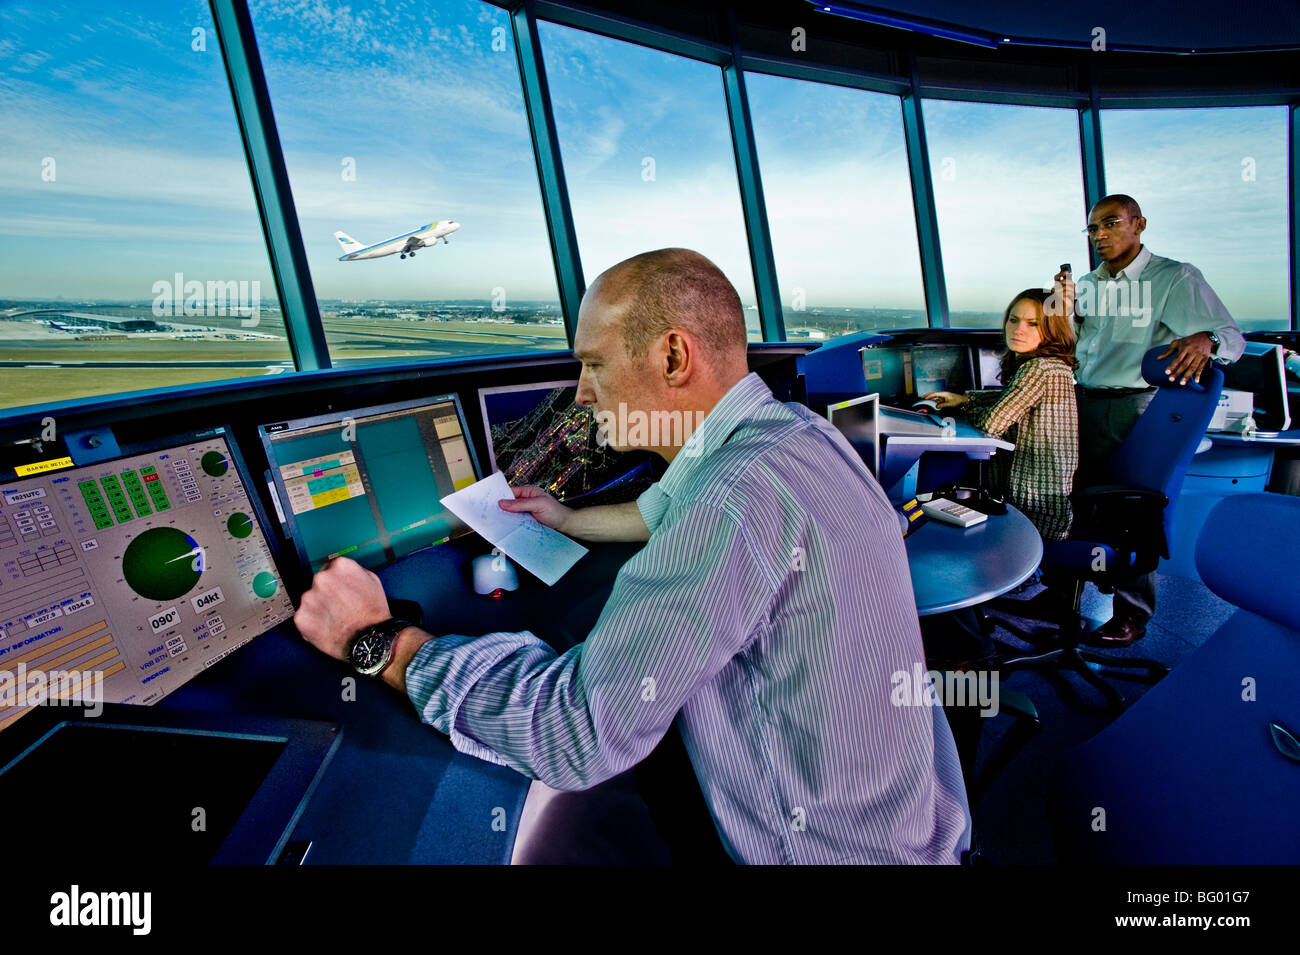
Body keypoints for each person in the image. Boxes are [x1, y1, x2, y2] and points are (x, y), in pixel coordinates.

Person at [292, 248, 971, 865]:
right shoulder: (800, 437)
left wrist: (376, 639)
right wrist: (568, 519)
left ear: (673, 357)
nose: (582, 392)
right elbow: (670, 505)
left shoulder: (730, 501)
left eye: (594, 363)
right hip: (919, 831)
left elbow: (574, 732)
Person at [1061, 193, 1244, 647]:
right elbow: (1079, 344)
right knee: (1071, 501)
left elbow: (1232, 338)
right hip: (1080, 400)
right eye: (1093, 228)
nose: (1099, 235)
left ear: (1139, 224)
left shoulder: (1173, 277)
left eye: (1110, 223)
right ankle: (1062, 599)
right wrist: (1063, 312)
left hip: (1133, 405)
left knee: (1130, 509)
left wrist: (1206, 338)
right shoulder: (1087, 284)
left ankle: (1131, 613)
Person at [923, 288, 1079, 543]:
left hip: (1031, 514)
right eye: (1013, 320)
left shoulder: (1037, 369)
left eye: (1032, 324)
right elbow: (1012, 398)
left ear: (1052, 329)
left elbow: (991, 423)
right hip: (1049, 505)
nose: (1018, 330)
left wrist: (963, 408)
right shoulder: (1054, 365)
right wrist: (965, 399)